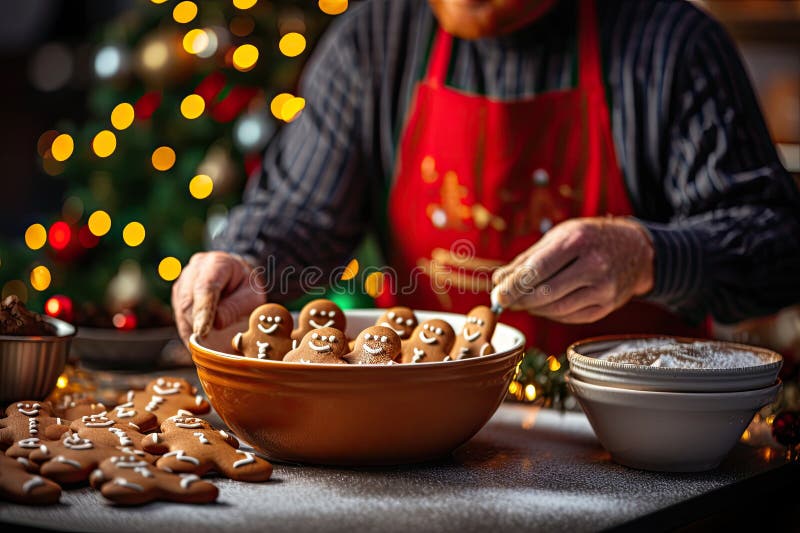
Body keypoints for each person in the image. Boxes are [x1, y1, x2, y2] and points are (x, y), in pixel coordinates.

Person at [172, 0, 800, 354]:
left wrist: (648, 257)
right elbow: (299, 215)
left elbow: (777, 248)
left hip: (633, 439)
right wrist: (246, 265)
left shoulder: (671, 44)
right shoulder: (376, 38)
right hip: (424, 432)